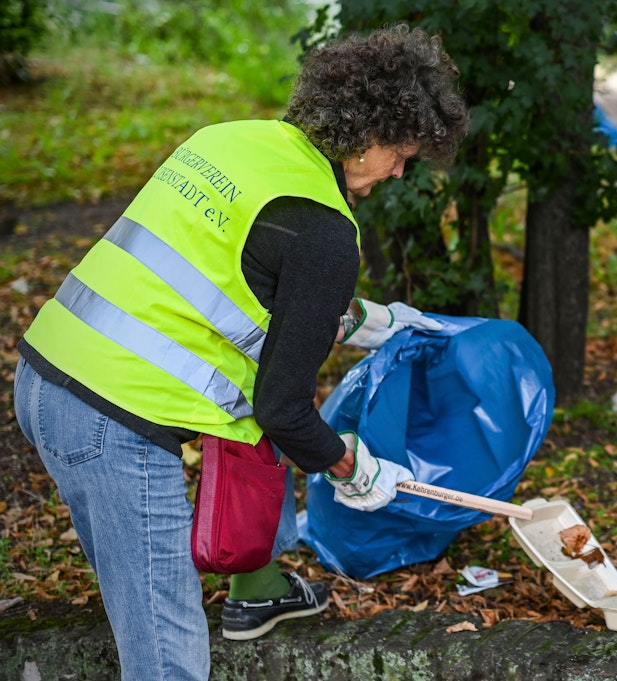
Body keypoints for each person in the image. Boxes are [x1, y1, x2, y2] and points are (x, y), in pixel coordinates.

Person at [13, 24, 468, 680]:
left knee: (140, 615)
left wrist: (359, 318)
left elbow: (223, 276)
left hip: (43, 379)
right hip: (114, 425)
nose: (399, 171)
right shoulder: (327, 232)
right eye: (400, 154)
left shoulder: (230, 140)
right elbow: (282, 410)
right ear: (368, 132)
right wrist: (353, 468)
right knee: (169, 661)